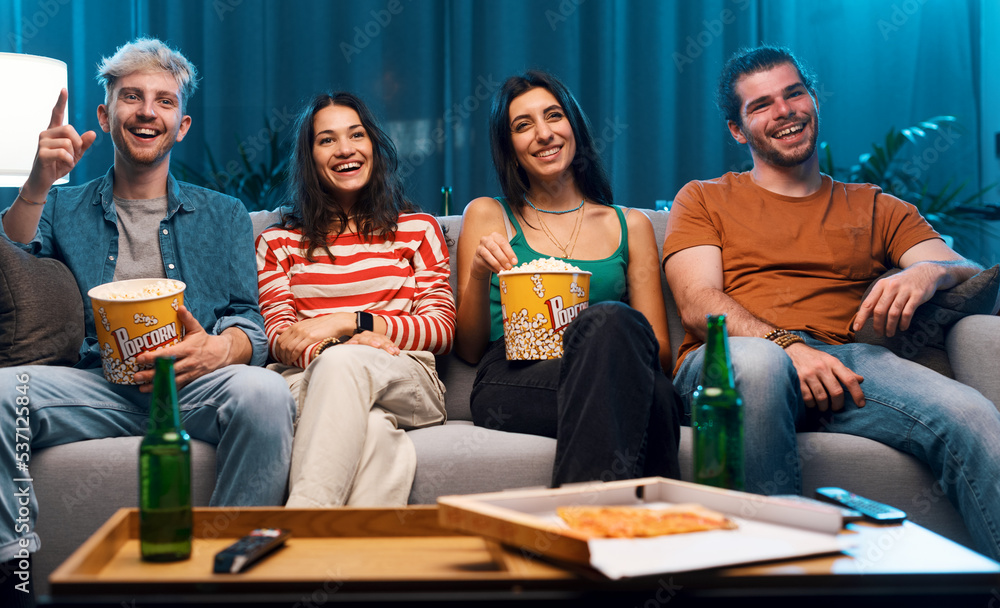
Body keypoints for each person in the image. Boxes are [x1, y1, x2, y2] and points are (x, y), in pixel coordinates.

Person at [663, 45, 1000, 559]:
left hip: (846, 368)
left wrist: (928, 271)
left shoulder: (875, 205)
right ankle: (769, 581)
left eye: (794, 93)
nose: (784, 111)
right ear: (738, 130)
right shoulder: (705, 198)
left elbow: (969, 268)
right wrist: (786, 346)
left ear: (814, 101)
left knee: (969, 412)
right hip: (732, 361)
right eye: (761, 105)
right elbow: (697, 301)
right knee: (759, 365)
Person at [0, 38, 295, 601]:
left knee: (266, 396)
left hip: (194, 386)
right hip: (94, 386)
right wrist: (37, 183)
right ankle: (13, 583)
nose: (146, 111)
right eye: (131, 97)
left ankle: (224, 582)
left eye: (163, 101)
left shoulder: (224, 213)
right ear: (105, 115)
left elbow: (248, 320)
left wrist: (221, 349)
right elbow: (13, 259)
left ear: (180, 125)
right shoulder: (60, 207)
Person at [455, 70, 682, 487]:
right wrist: (477, 272)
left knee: (612, 326)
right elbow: (468, 350)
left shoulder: (631, 225)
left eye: (553, 116)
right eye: (523, 126)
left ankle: (581, 526)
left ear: (573, 125)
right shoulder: (488, 214)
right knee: (656, 399)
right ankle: (661, 531)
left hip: (614, 361)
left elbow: (661, 354)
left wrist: (596, 335)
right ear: (509, 146)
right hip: (512, 375)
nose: (543, 134)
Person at [256, 92, 454, 508]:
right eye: (326, 140)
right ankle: (357, 566)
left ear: (374, 146)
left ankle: (303, 522)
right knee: (375, 428)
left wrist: (350, 322)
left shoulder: (419, 229)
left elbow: (439, 330)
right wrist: (338, 348)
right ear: (309, 157)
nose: (345, 149)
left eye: (356, 135)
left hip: (408, 377)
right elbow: (280, 338)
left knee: (344, 363)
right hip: (304, 379)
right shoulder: (277, 242)